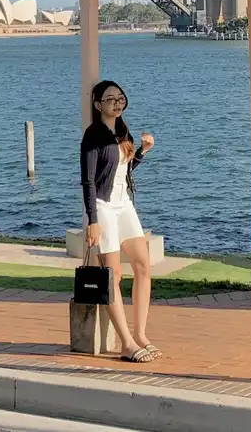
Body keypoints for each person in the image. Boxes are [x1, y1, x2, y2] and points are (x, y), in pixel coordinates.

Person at [80, 80, 158, 363]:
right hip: (103, 208)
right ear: (98, 104)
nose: (117, 102)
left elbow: (121, 172)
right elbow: (89, 181)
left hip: (124, 205)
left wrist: (141, 152)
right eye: (110, 98)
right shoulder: (93, 135)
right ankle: (126, 343)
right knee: (112, 277)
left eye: (120, 97)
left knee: (143, 265)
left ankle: (141, 335)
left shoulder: (122, 131)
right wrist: (92, 220)